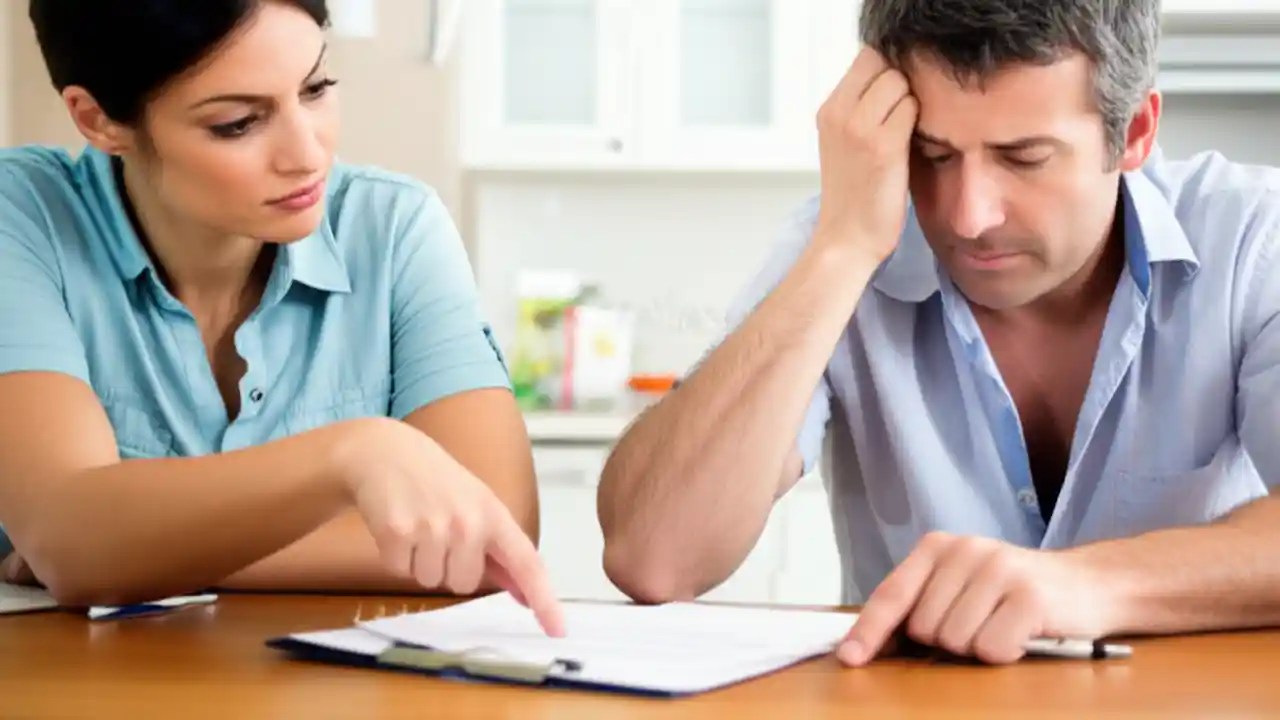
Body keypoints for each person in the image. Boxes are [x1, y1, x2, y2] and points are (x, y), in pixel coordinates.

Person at [598, 0, 1280, 665]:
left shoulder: (1252, 239)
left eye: (1023, 157)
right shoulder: (845, 236)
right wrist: (841, 250)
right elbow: (655, 559)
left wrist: (1087, 586)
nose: (967, 217)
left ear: (1133, 131)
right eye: (933, 154)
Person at [0, 0, 562, 635]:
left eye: (316, 88)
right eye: (237, 124)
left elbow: (492, 538)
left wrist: (121, 551)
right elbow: (72, 540)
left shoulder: (394, 227)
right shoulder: (22, 217)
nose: (307, 154)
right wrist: (353, 456)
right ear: (98, 119)